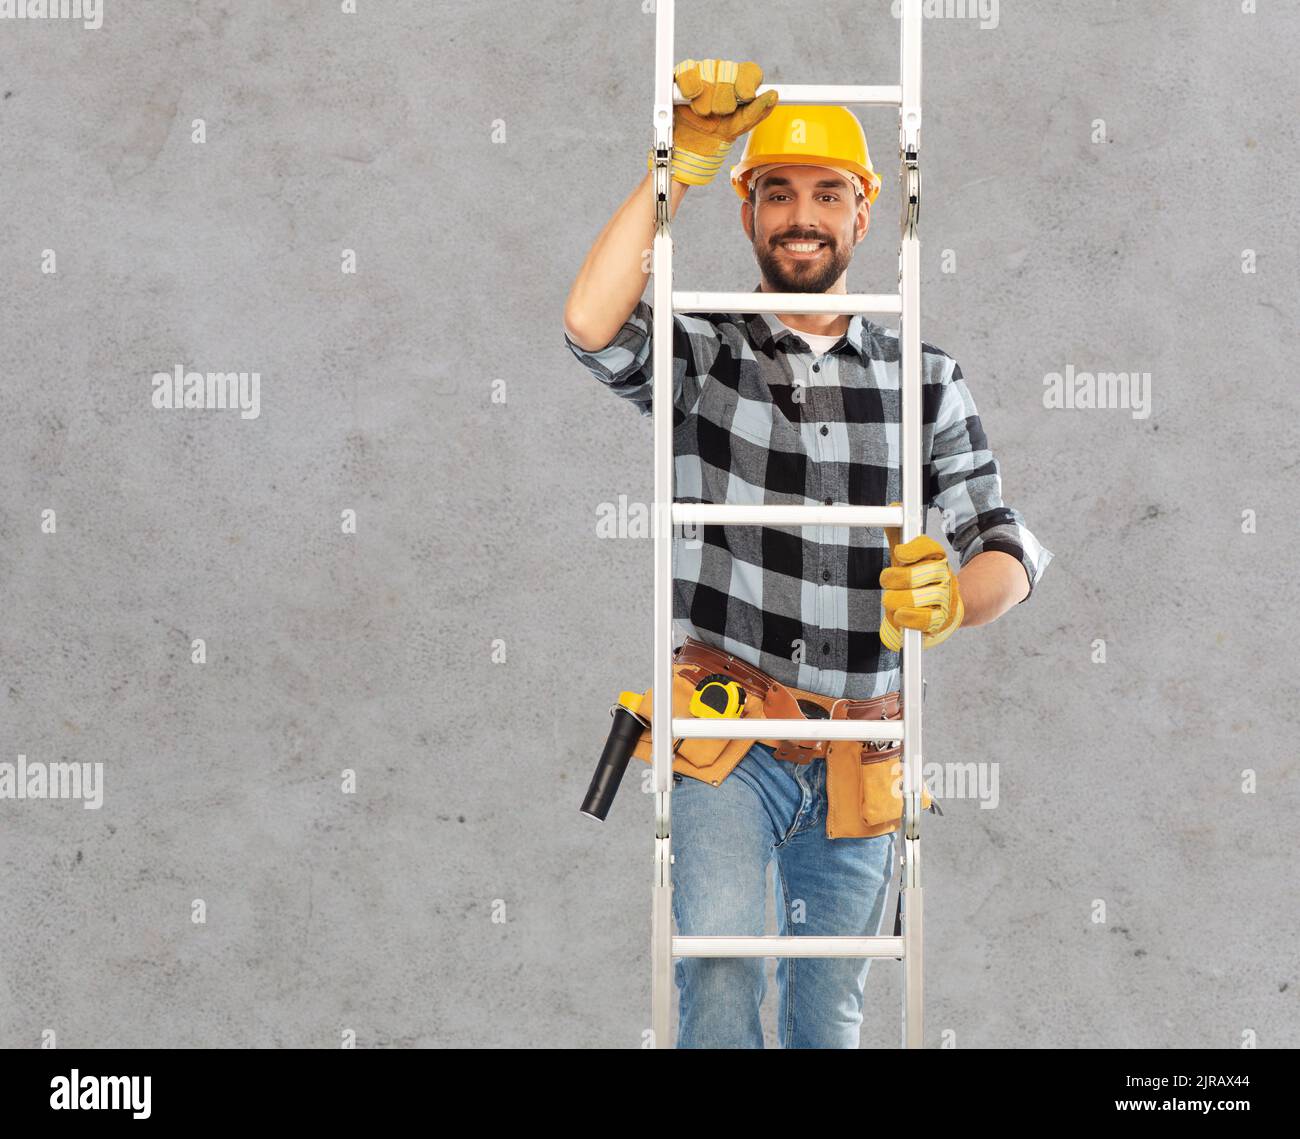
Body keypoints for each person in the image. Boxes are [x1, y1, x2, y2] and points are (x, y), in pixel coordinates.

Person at [563, 58, 1053, 1048]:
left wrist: (956, 598)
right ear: (746, 214)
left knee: (829, 1009)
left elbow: (1003, 538)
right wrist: (678, 165)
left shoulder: (923, 375)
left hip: (859, 748)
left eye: (828, 194)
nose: (802, 214)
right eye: (776, 192)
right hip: (729, 734)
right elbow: (592, 323)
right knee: (718, 966)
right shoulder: (708, 352)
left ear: (865, 217)